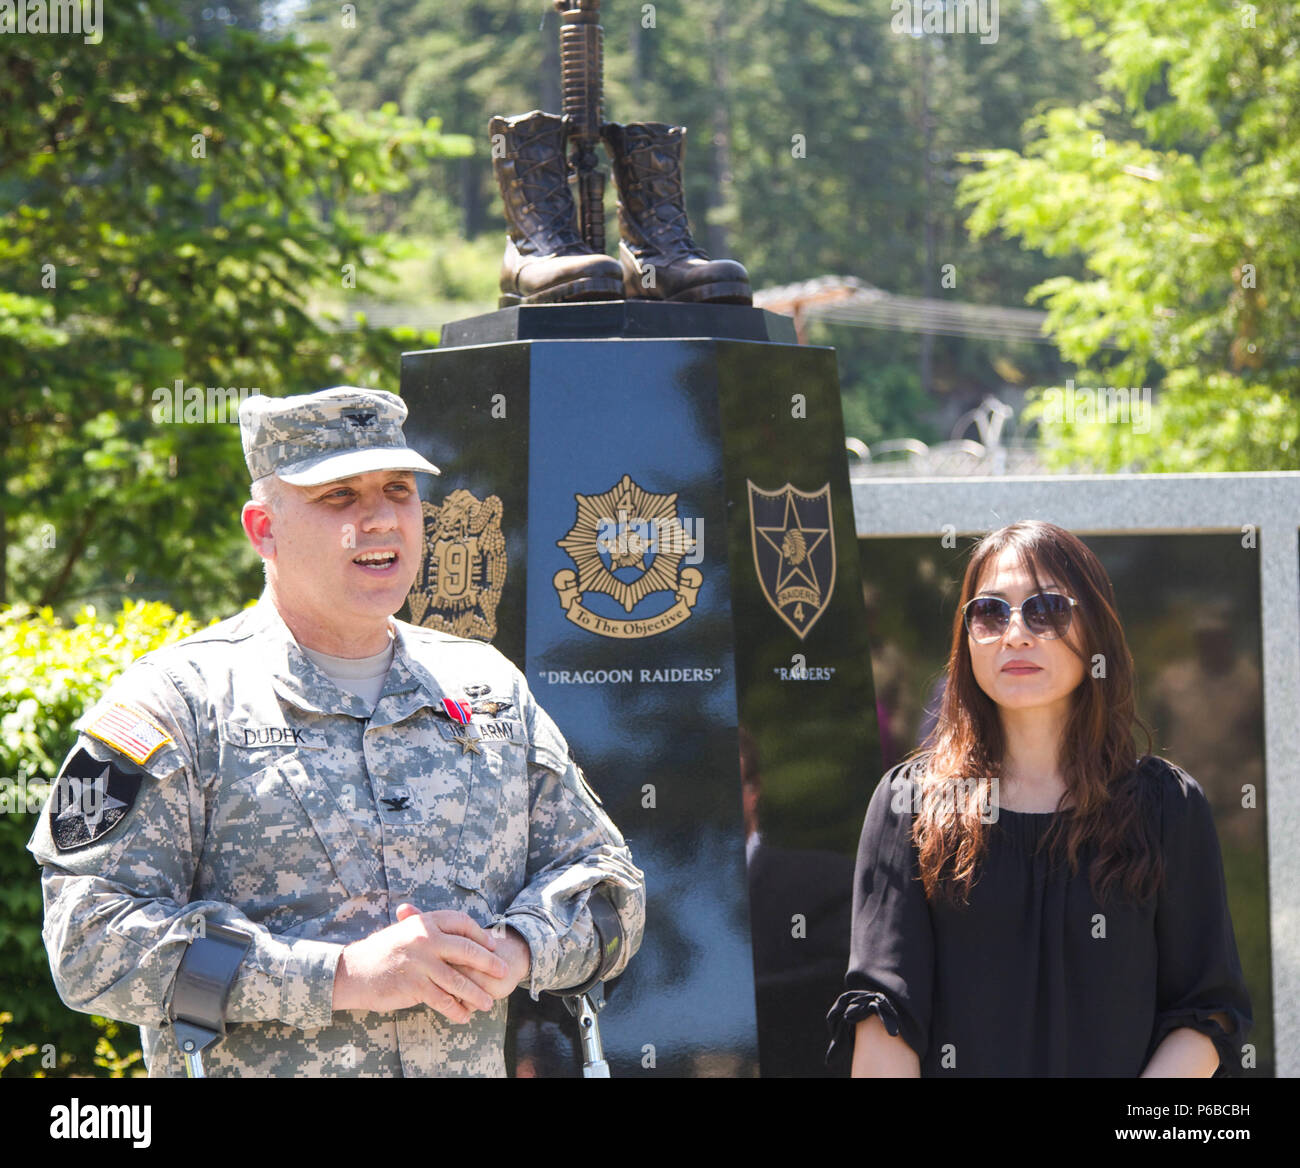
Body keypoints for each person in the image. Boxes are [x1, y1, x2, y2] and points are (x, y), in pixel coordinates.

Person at [28, 386, 646, 1077]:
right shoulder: (176, 704)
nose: (379, 519)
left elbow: (610, 893)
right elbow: (87, 947)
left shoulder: (487, 688)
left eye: (398, 489)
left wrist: (517, 952)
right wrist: (340, 976)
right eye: (339, 497)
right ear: (263, 528)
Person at [827, 520, 1251, 1077]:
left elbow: (1204, 1010)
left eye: (1047, 610)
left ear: (1095, 632)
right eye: (990, 612)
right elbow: (885, 1017)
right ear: (967, 640)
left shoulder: (1168, 806)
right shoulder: (908, 804)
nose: (1016, 634)